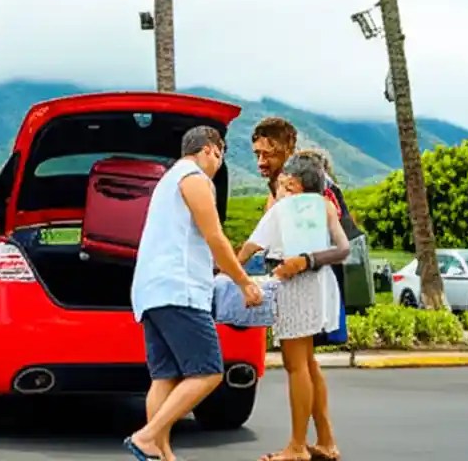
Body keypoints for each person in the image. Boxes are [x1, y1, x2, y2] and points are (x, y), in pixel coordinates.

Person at [126, 126, 264, 461]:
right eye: (221, 155)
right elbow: (214, 237)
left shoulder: (167, 181)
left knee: (165, 377)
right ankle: (147, 437)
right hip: (180, 290)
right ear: (210, 149)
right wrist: (244, 281)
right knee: (208, 371)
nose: (219, 164)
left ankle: (162, 454)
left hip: (151, 291)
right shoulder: (194, 178)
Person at [239, 152, 350, 461]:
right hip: (319, 285)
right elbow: (343, 249)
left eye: (285, 184)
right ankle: (326, 440)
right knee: (309, 363)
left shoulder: (284, 208)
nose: (281, 190)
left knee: (295, 364)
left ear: (296, 184)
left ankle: (297, 446)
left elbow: (251, 246)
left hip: (294, 287)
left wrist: (229, 272)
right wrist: (310, 260)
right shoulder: (326, 205)